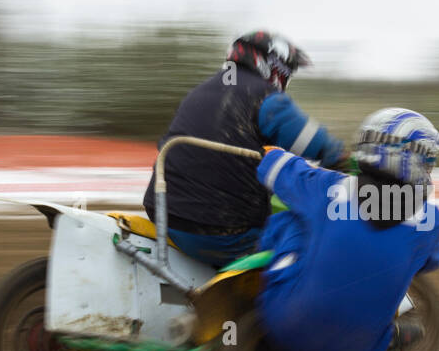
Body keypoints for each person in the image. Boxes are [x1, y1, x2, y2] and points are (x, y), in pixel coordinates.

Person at [253, 107, 439, 351]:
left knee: (291, 220)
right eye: (428, 161)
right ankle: (389, 334)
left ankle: (260, 269)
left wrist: (270, 153)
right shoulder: (431, 220)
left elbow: (277, 169)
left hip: (284, 325)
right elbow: (432, 262)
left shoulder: (329, 187)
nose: (429, 169)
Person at [143, 30, 345, 267]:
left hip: (166, 216)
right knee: (306, 236)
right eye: (288, 70)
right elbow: (316, 144)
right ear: (273, 65)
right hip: (223, 233)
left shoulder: (202, 90)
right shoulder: (265, 97)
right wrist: (345, 161)